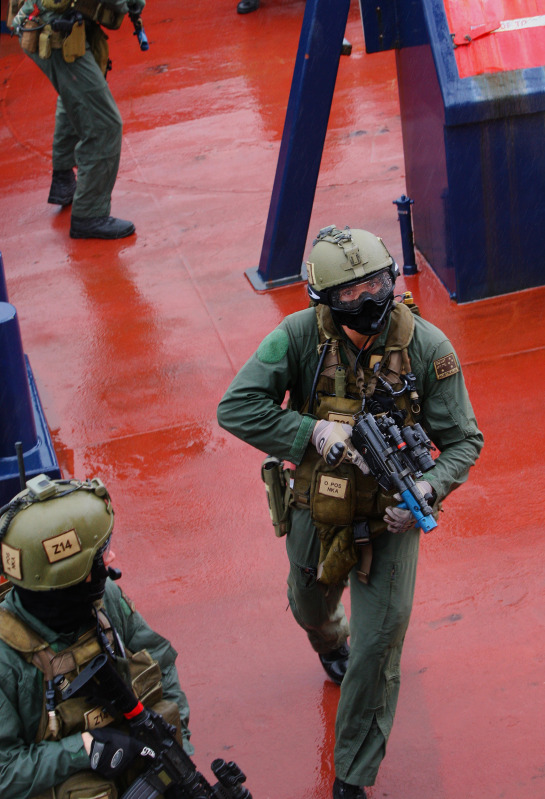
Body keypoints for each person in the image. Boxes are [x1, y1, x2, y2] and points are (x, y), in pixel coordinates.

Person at [217, 224, 483, 799]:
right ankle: (329, 640)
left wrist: (430, 488)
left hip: (394, 516)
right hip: (319, 504)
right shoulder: (298, 338)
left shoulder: (427, 347)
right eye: (350, 293)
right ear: (325, 300)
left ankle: (353, 776)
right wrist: (311, 432)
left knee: (378, 648)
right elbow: (235, 407)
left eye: (377, 284)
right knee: (308, 605)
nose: (368, 300)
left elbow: (464, 440)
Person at [0, 474, 193, 798]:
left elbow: (162, 665)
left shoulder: (106, 601)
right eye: (100, 553)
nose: (110, 559)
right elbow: (5, 771)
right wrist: (84, 748)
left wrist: (178, 751)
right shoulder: (6, 658)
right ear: (68, 576)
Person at [9, 0, 144, 240]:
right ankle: (90, 215)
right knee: (104, 124)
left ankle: (63, 178)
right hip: (53, 30)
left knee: (75, 93)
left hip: (48, 21)